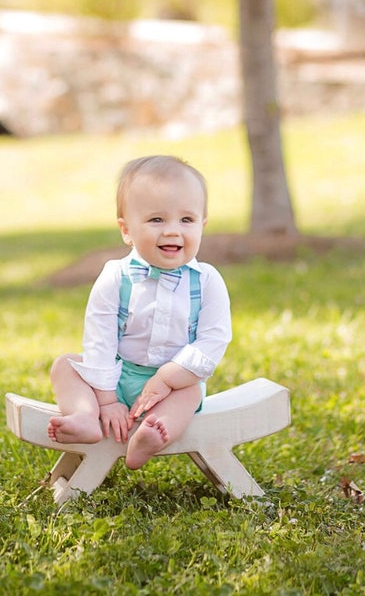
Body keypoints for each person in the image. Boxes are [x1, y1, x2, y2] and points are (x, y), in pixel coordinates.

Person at [47, 155, 232, 470]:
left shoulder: (207, 281)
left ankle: (153, 433)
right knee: (64, 365)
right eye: (157, 220)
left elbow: (213, 340)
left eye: (186, 220)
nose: (172, 232)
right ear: (126, 230)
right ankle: (85, 416)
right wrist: (107, 399)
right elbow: (99, 337)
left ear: (202, 225)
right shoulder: (115, 277)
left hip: (175, 383)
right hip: (118, 377)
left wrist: (168, 378)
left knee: (190, 394)